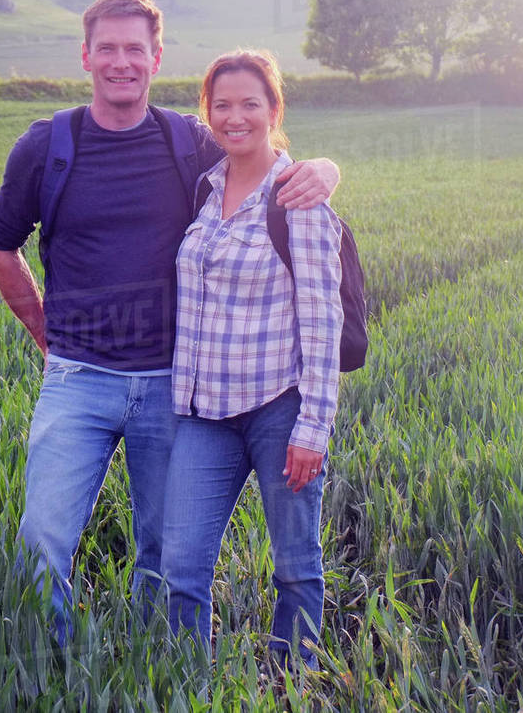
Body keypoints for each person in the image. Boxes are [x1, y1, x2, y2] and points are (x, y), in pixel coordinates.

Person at [0, 0, 339, 645]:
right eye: (109, 48)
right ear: (87, 55)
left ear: (156, 58)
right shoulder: (46, 146)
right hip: (78, 380)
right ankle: (52, 671)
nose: (122, 62)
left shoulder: (188, 141)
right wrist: (45, 332)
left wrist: (326, 167)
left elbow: (260, 160)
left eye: (135, 49)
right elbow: (0, 244)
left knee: (163, 547)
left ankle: (157, 667)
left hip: (173, 387)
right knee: (41, 536)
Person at [160, 49, 343, 671]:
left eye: (249, 104)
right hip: (202, 414)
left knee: (296, 566)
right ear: (206, 112)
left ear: (274, 110)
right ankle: (185, 687)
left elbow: (323, 318)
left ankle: (295, 684)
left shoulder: (298, 197)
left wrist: (313, 427)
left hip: (278, 410)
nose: (235, 117)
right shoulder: (205, 189)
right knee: (178, 567)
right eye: (222, 105)